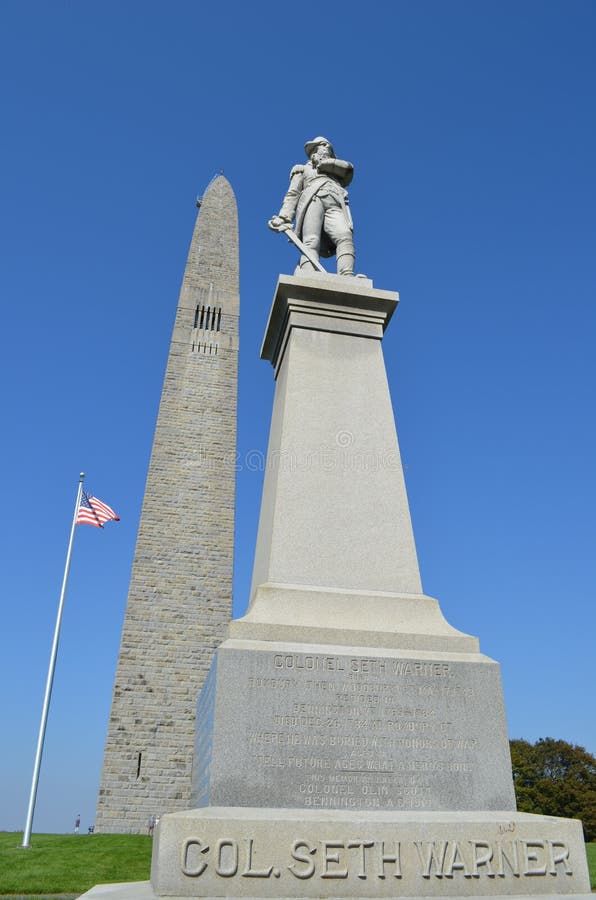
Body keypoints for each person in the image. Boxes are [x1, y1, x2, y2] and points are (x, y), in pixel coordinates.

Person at [269, 136, 355, 276]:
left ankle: (347, 274)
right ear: (314, 149)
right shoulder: (302, 169)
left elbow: (348, 168)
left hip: (335, 203)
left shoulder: (336, 173)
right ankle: (308, 272)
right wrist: (284, 217)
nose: (327, 148)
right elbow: (293, 193)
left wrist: (324, 164)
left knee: (345, 235)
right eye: (323, 145)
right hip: (312, 200)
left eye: (328, 146)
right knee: (311, 240)